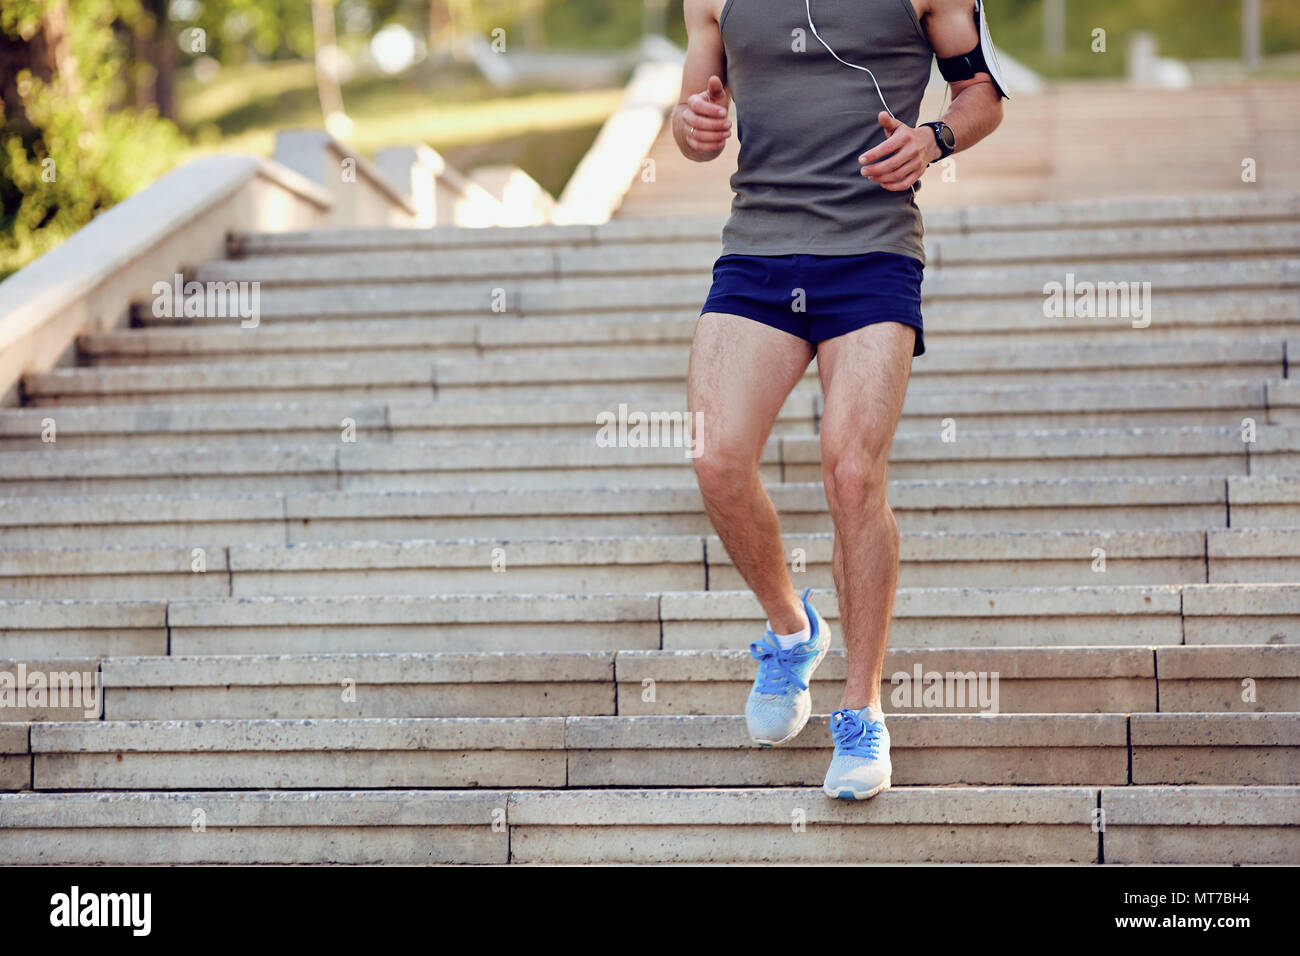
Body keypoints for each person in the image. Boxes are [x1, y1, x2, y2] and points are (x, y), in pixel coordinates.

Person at [674, 0, 1006, 798]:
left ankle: (861, 710)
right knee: (715, 456)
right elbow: (690, 118)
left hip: (871, 252)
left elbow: (983, 94)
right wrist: (693, 127)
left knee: (852, 473)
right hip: (757, 248)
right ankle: (793, 633)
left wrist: (934, 139)